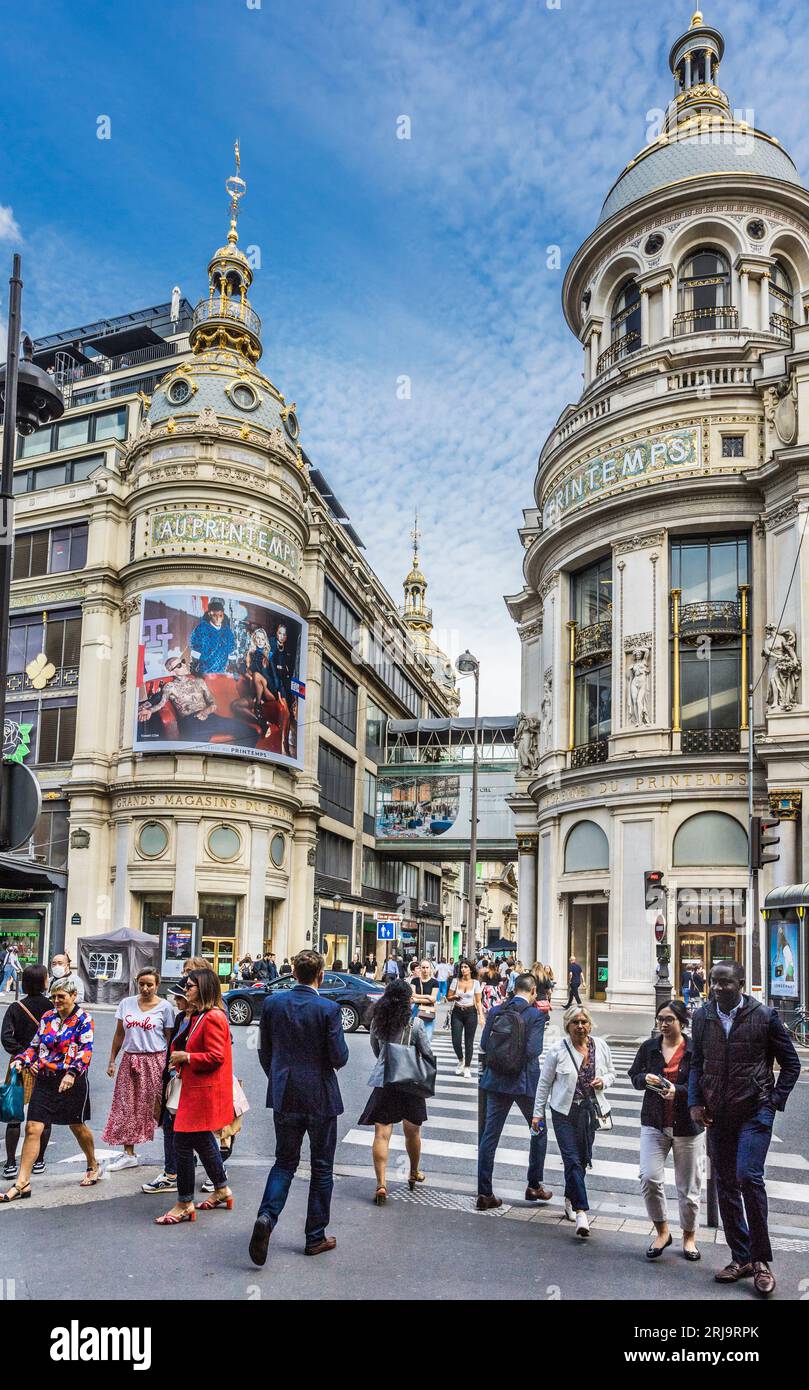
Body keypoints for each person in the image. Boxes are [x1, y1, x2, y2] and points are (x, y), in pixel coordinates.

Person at [688, 960, 801, 1295]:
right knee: (725, 1184)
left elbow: (791, 1063)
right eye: (714, 982)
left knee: (748, 1177)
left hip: (754, 1111)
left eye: (726, 983)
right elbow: (697, 1063)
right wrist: (695, 1102)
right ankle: (742, 1257)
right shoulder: (702, 1016)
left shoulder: (764, 1017)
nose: (719, 988)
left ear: (741, 983)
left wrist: (774, 1100)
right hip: (718, 1113)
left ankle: (761, 1260)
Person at [249, 949, 349, 1265]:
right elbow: (339, 1057)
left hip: (286, 1094)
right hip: (320, 1096)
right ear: (320, 975)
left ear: (293, 974)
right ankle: (315, 1236)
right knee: (321, 1167)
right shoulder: (329, 1009)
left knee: (284, 1162)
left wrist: (279, 1078)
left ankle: (267, 1216)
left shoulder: (274, 1003)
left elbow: (265, 1052)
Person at [3, 980, 102, 1202]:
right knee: (32, 1128)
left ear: (73, 995)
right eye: (54, 997)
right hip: (45, 1080)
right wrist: (22, 1060)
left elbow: (85, 1051)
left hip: (71, 1080)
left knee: (77, 1126)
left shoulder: (84, 1020)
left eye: (61, 997)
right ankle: (22, 1183)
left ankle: (92, 1163)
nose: (56, 1001)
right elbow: (35, 1046)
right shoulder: (48, 1017)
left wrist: (71, 1074)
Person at [155, 968, 234, 1225]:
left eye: (190, 986)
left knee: (182, 1142)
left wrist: (185, 1058)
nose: (185, 990)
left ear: (203, 989)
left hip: (201, 1091)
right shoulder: (200, 1015)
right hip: (196, 1089)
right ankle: (221, 1188)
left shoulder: (212, 1017)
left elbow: (216, 1057)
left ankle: (184, 1202)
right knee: (199, 1140)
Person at [628, 998, 704, 1260]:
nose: (663, 1024)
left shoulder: (695, 1050)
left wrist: (678, 1092)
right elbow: (634, 1077)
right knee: (649, 1178)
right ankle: (662, 1231)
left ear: (682, 1022)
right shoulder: (649, 1048)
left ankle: (689, 1237)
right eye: (660, 1019)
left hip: (687, 1126)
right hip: (654, 1123)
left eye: (669, 1019)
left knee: (689, 1188)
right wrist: (644, 1079)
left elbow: (703, 1086)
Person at [532, 1005, 615, 1239]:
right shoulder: (557, 1050)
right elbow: (544, 1084)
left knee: (583, 1158)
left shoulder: (600, 1046)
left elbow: (612, 1073)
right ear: (567, 1025)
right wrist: (537, 1115)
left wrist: (603, 1082)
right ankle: (581, 1212)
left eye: (584, 1022)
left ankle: (570, 1197)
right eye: (575, 1022)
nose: (580, 1026)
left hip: (589, 1111)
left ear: (590, 1024)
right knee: (571, 1159)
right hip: (563, 1112)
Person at [477, 972, 553, 1210]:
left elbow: (483, 1045)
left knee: (489, 1136)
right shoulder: (535, 1015)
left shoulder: (496, 1011)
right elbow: (534, 1050)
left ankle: (484, 1192)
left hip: (496, 1081)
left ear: (514, 988)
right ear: (532, 992)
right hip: (525, 1084)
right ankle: (533, 1184)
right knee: (538, 1131)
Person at [358, 979, 436, 1204]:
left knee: (382, 1134)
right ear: (406, 999)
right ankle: (413, 1172)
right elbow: (427, 1053)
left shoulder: (378, 1022)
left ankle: (381, 1184)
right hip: (410, 1082)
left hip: (385, 1081)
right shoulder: (415, 1024)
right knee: (413, 1132)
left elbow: (376, 1049)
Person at [103, 969, 175, 1171]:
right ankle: (128, 1153)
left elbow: (170, 1039)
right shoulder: (126, 1003)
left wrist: (170, 1065)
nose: (145, 988)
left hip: (156, 1060)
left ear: (157, 985)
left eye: (149, 985)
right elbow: (119, 1034)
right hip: (130, 1060)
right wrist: (112, 1061)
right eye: (141, 984)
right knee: (127, 1106)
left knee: (162, 1108)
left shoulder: (165, 1007)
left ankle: (176, 1153)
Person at [2, 964, 52, 1179]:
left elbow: (6, 1037)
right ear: (43, 982)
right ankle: (39, 1160)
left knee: (14, 1114)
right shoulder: (52, 1007)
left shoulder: (16, 1007)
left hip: (19, 1065)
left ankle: (11, 1163)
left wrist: (23, 1055)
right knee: (44, 1114)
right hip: (45, 1065)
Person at [141, 978, 190, 1195]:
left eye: (181, 995)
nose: (176, 999)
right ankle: (173, 1172)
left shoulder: (204, 1018)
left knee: (196, 1133)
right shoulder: (181, 1017)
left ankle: (217, 1177)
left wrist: (186, 1058)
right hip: (175, 1078)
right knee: (172, 1126)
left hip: (189, 1080)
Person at [447, 960, 484, 1078]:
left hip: (471, 1012)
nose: (463, 969)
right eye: (462, 967)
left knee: (469, 1042)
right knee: (455, 1040)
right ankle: (461, 1059)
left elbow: (478, 1001)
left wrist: (481, 1016)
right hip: (457, 1012)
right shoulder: (455, 981)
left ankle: (467, 1066)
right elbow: (448, 997)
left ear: (471, 969)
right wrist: (454, 997)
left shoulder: (476, 983)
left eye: (465, 967)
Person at [410, 959, 439, 1042]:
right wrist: (427, 997)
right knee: (414, 1037)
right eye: (423, 967)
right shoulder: (414, 981)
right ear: (420, 968)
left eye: (427, 967)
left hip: (429, 1011)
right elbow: (413, 995)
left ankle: (424, 1055)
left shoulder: (434, 982)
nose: (425, 970)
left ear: (430, 969)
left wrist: (418, 999)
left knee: (427, 1039)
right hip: (416, 1010)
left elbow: (433, 999)